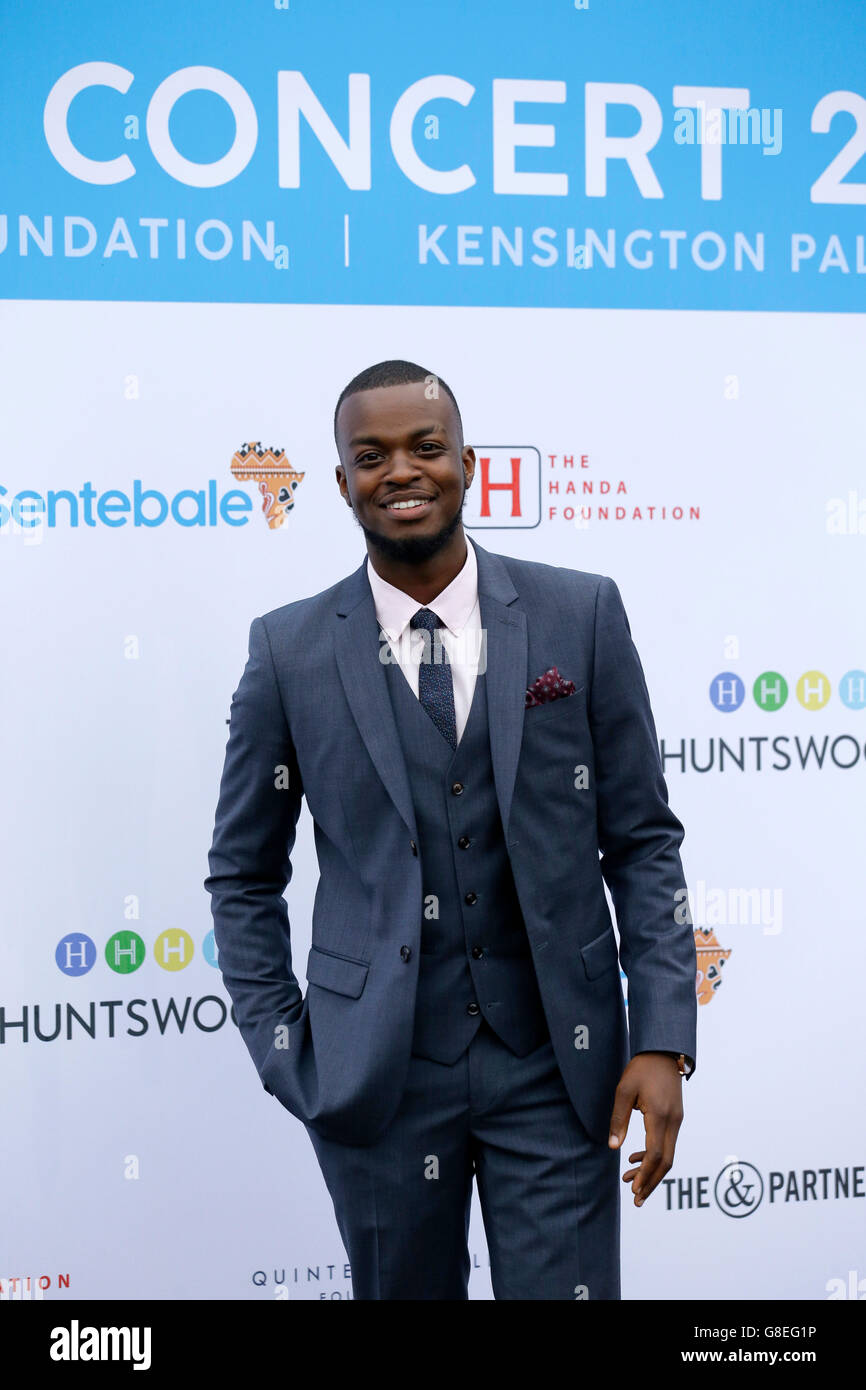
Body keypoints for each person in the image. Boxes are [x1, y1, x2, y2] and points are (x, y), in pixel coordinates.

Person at [205, 359, 697, 1300]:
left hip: (557, 1066)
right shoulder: (289, 650)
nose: (402, 470)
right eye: (371, 455)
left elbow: (642, 839)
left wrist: (662, 1036)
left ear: (468, 465)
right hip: (376, 1080)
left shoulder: (580, 614)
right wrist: (287, 1052)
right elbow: (242, 875)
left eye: (426, 447)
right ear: (341, 481)